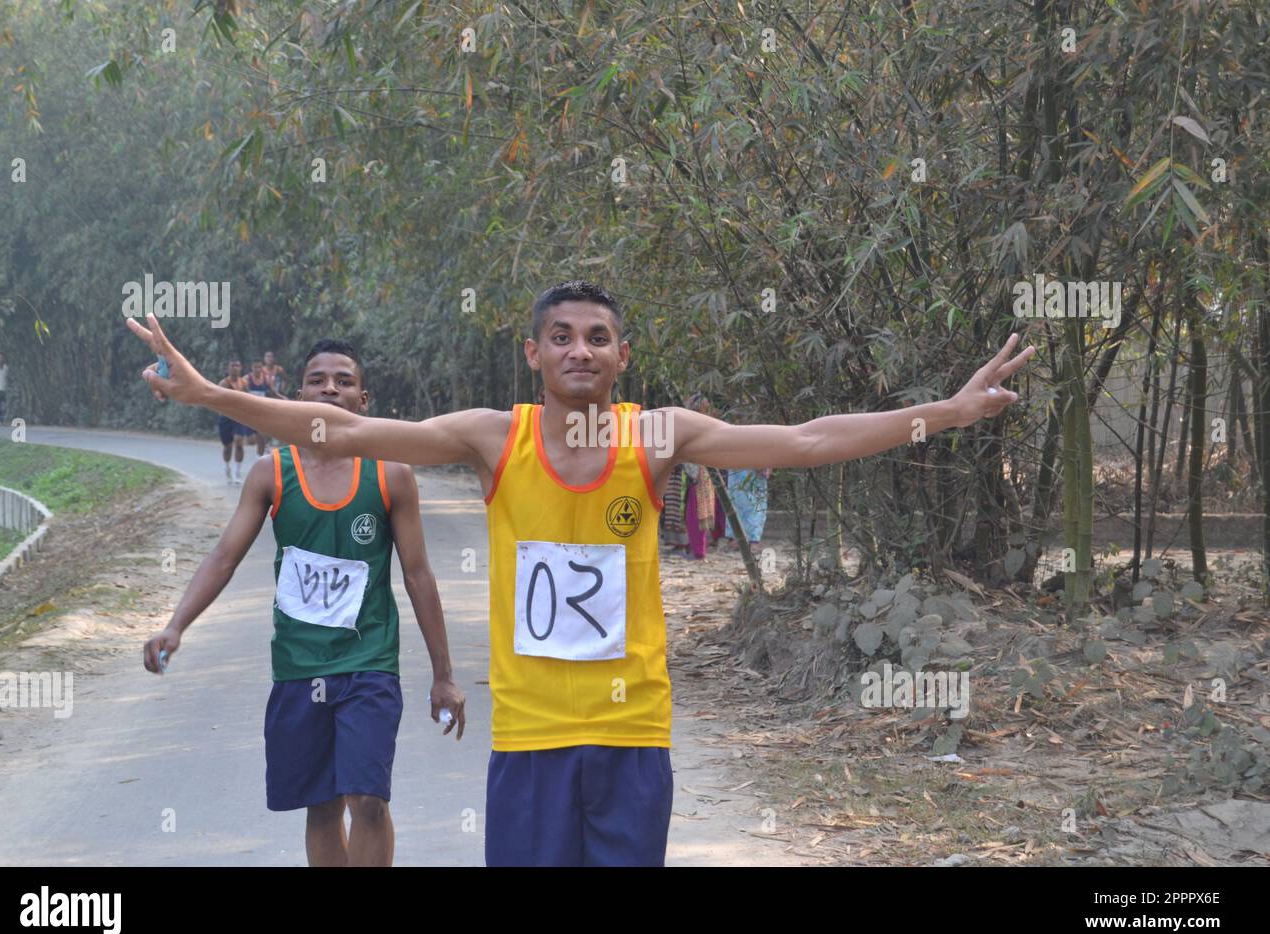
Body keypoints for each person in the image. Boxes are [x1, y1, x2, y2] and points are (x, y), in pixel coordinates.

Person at [129, 280, 1033, 866]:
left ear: (622, 357)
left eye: (599, 337)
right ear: (534, 354)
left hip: (632, 731)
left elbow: (804, 441)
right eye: (560, 336)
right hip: (528, 739)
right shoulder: (496, 438)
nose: (580, 350)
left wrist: (948, 413)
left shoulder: (656, 435)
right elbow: (347, 430)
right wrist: (209, 394)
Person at [141, 339, 466, 867]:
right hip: (299, 668)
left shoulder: (391, 475)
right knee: (322, 805)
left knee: (368, 800)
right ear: (296, 398)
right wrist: (176, 625)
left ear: (364, 400)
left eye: (344, 381)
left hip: (369, 665)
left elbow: (418, 575)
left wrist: (444, 675)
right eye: (317, 380)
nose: (330, 389)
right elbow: (224, 557)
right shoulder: (271, 473)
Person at [681, 394, 726, 559]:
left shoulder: (696, 425)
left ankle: (699, 550)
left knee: (697, 512)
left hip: (701, 471)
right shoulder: (705, 424)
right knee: (700, 511)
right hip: (703, 471)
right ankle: (698, 548)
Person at [217, 360, 252, 484]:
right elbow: (217, 399)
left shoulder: (244, 383)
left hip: (239, 417)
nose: (235, 368)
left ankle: (237, 472)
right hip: (225, 417)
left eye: (237, 365)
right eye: (232, 365)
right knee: (227, 447)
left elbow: (249, 398)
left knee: (239, 442)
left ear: (241, 368)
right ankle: (227, 468)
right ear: (228, 368)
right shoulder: (223, 383)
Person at [724, 468, 770, 552]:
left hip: (739, 467)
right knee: (753, 504)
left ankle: (739, 540)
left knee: (740, 502)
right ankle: (750, 541)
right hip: (742, 468)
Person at [243, 358, 282, 453]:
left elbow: (273, 392)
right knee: (251, 441)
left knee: (262, 436)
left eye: (259, 367)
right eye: (255, 367)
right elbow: (239, 391)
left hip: (261, 412)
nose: (258, 369)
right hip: (249, 413)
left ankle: (261, 453)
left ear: (262, 367)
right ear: (252, 368)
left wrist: (283, 398)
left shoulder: (266, 379)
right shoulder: (246, 379)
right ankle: (263, 442)